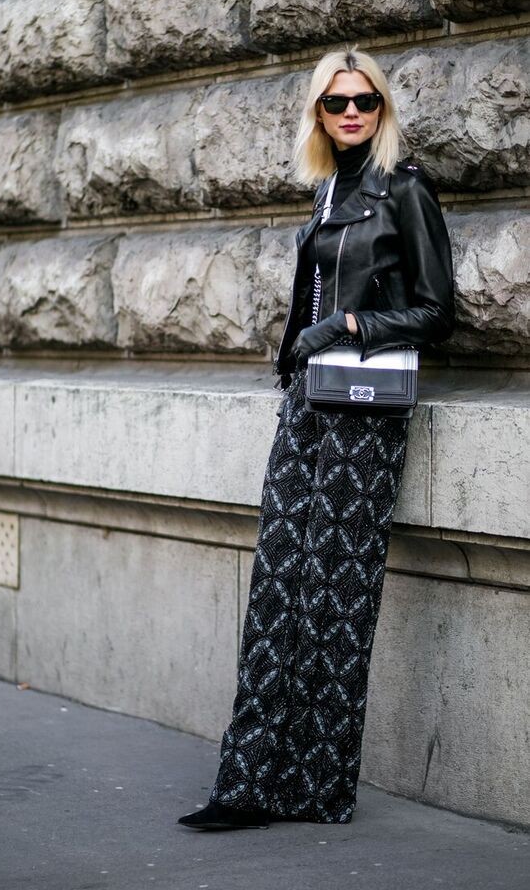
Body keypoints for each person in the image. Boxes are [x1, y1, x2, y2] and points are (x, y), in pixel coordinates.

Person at [177, 44, 455, 831]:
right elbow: (313, 292)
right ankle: (248, 782)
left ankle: (315, 788)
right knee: (277, 585)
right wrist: (294, 356)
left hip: (365, 415)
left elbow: (438, 311)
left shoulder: (405, 189)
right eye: (337, 102)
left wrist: (351, 325)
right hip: (308, 403)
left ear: (381, 108)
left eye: (365, 100)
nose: (352, 112)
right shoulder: (328, 190)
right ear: (319, 114)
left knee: (337, 598)